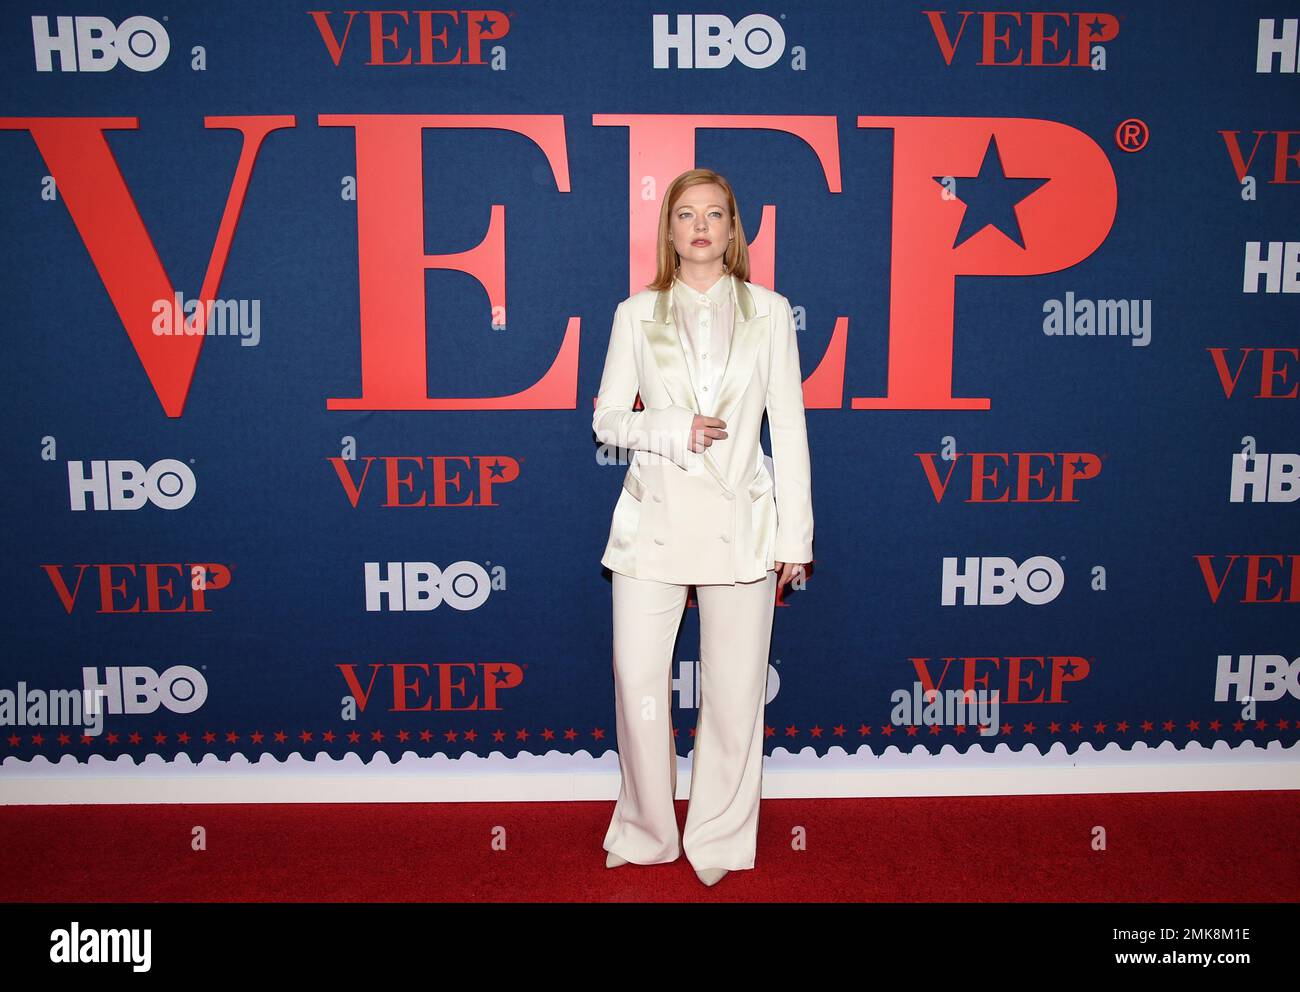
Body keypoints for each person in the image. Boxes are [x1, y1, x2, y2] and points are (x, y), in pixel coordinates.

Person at [591, 168, 814, 887]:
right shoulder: (634, 312)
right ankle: (648, 830)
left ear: (732, 229)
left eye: (714, 214)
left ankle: (718, 839)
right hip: (653, 526)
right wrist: (673, 426)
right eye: (685, 214)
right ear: (670, 230)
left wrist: (795, 540)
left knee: (736, 691)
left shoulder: (772, 313)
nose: (699, 227)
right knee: (638, 680)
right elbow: (606, 421)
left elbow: (789, 428)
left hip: (740, 522)